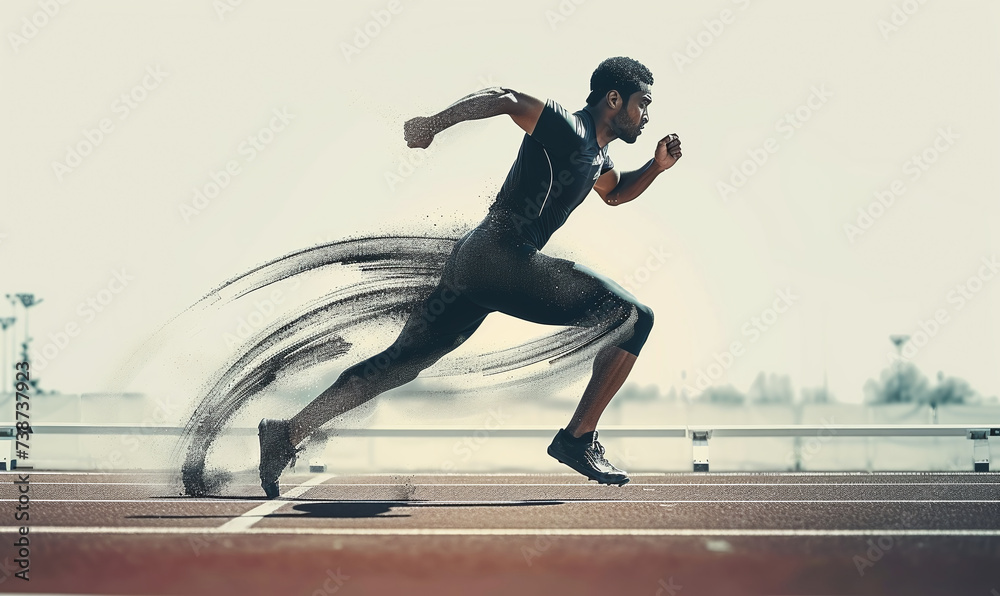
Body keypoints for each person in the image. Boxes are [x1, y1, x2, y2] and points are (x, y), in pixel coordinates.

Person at [257, 56, 682, 498]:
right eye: (642, 103)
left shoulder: (598, 156)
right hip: (502, 258)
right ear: (614, 98)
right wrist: (434, 124)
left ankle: (286, 433)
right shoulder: (566, 127)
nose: (646, 116)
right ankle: (577, 440)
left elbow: (613, 193)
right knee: (635, 317)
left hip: (475, 263)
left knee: (400, 363)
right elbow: (504, 98)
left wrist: (655, 168)